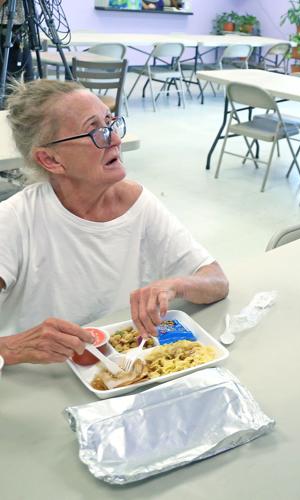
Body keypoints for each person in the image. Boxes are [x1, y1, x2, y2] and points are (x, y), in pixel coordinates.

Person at [0, 80, 229, 365]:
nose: (116, 140)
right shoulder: (15, 220)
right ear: (50, 159)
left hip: (119, 370)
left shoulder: (138, 203)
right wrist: (10, 348)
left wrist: (174, 285)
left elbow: (216, 281)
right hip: (39, 379)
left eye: (110, 123)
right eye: (94, 131)